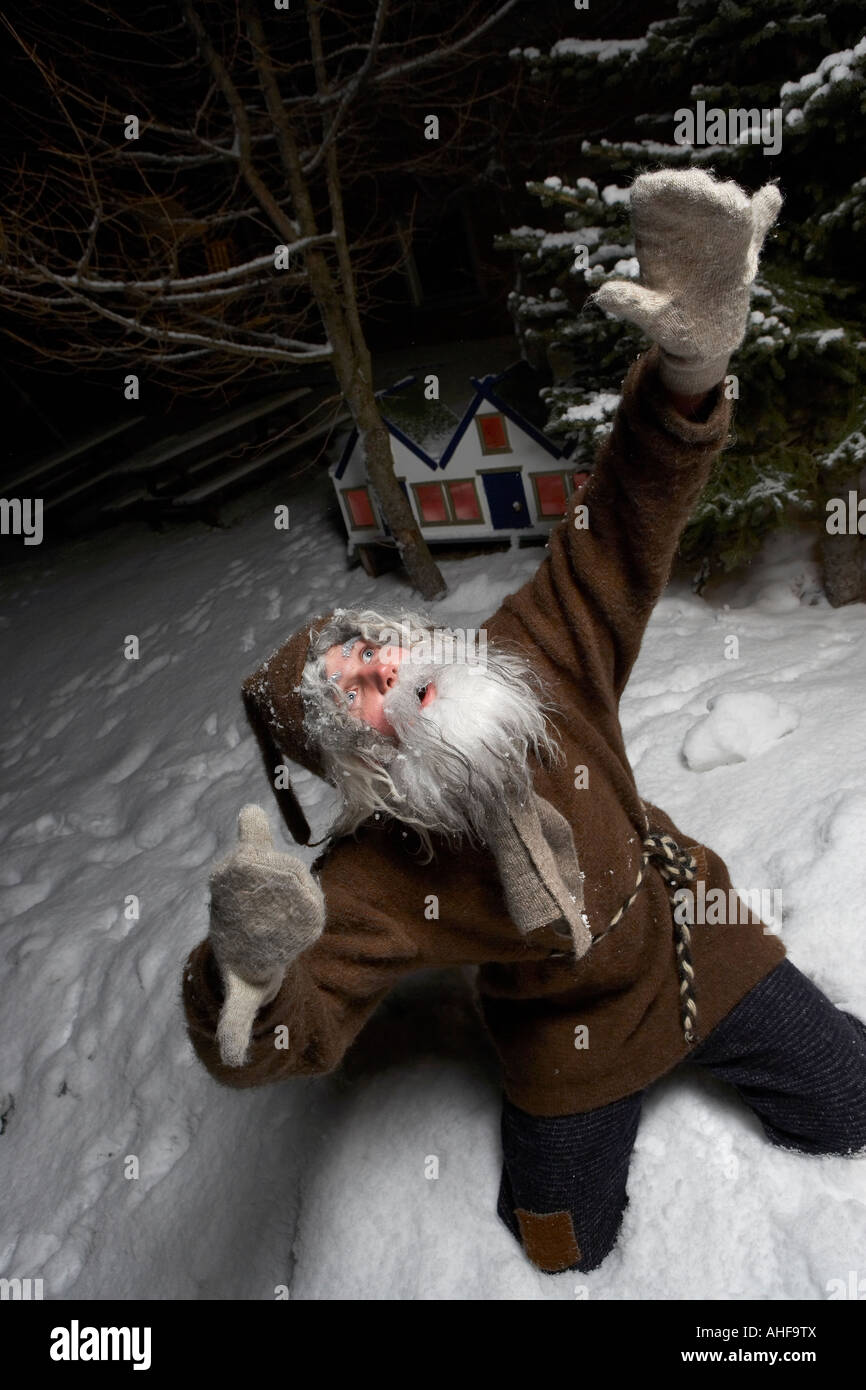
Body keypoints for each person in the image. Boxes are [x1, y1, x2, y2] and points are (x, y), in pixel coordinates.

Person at [181, 170, 866, 1276]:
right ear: (363, 762)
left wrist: (688, 369)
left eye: (374, 647)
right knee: (558, 1242)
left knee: (846, 1105)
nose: (385, 673)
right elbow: (296, 1018)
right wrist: (243, 981)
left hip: (693, 933)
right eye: (353, 695)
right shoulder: (379, 870)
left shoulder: (531, 653)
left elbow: (621, 513)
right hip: (567, 1036)